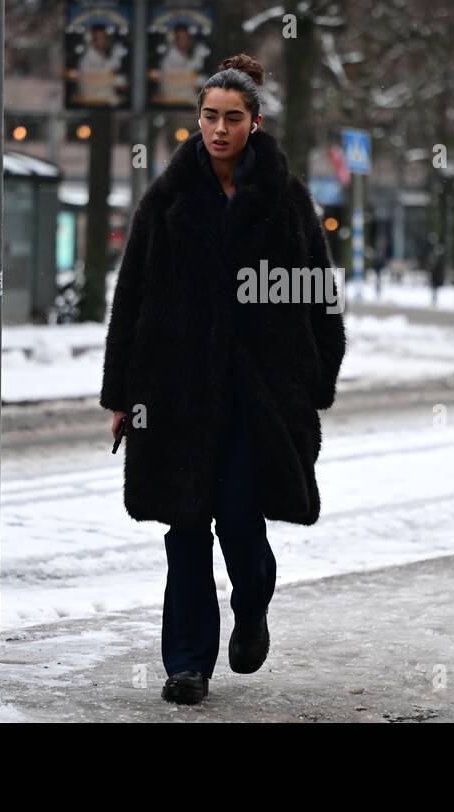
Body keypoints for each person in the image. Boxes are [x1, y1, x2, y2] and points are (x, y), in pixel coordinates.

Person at [99, 53, 347, 705]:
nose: (218, 129)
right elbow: (132, 296)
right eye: (208, 116)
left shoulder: (287, 202)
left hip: (258, 397)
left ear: (254, 123)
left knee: (240, 521)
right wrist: (122, 396)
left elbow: (321, 296)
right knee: (185, 531)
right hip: (175, 392)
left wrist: (313, 383)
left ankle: (253, 606)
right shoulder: (168, 199)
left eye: (231, 118)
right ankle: (186, 664)